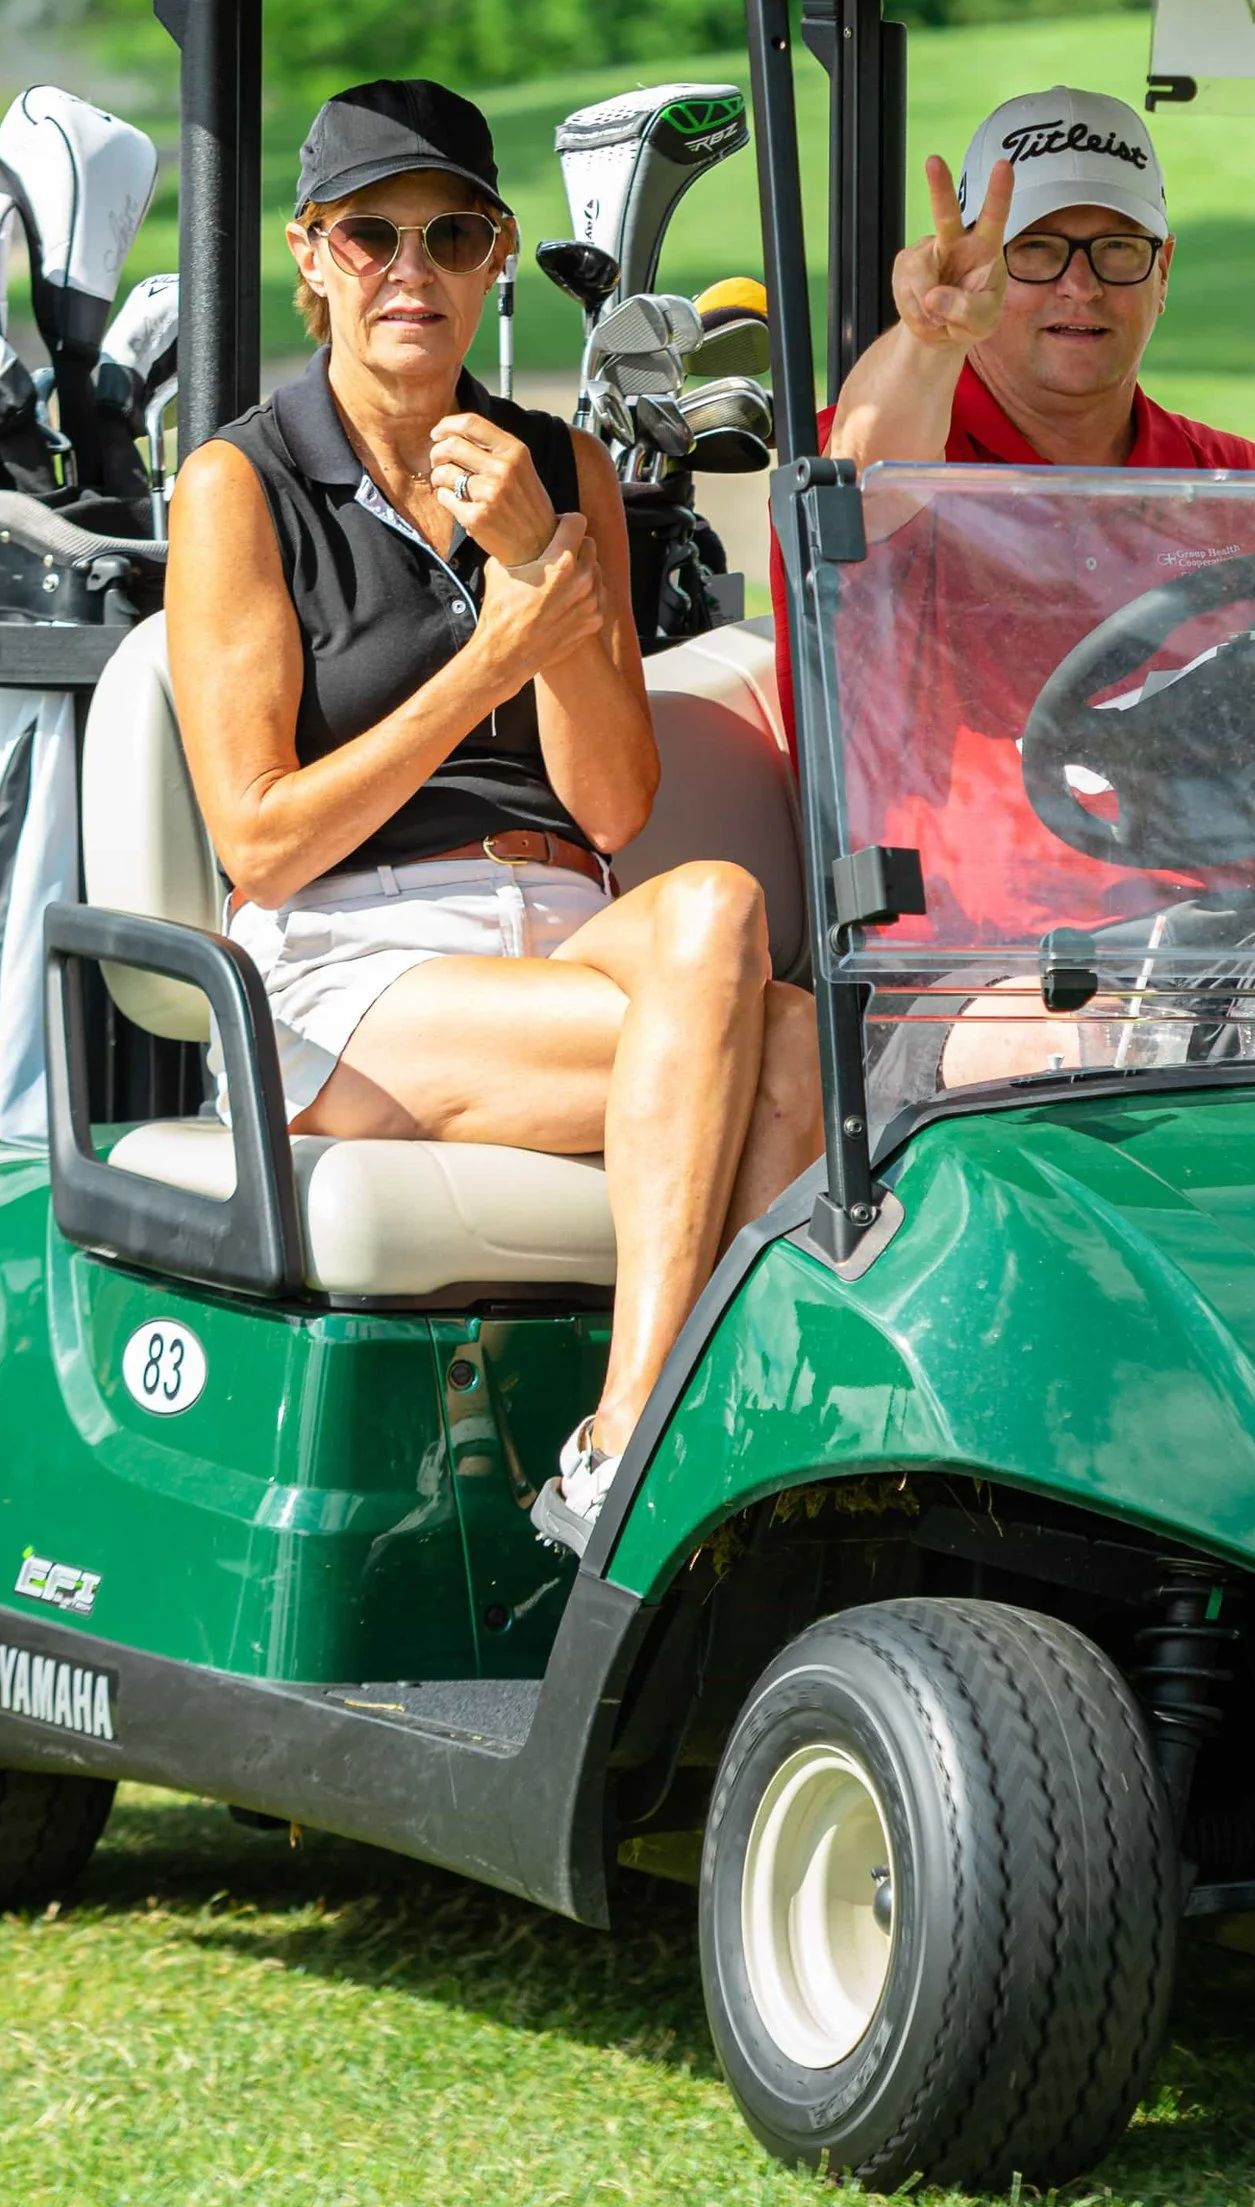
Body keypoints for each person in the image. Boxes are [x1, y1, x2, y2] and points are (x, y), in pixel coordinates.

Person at [168, 78, 819, 1553]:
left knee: (723, 909)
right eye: (371, 235)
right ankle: (660, 1454)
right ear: (309, 254)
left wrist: (549, 555)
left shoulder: (555, 464)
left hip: (555, 937)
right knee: (785, 1061)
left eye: (450, 234)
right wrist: (492, 660)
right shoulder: (241, 486)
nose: (412, 271)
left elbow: (612, 801)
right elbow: (261, 840)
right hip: (344, 967)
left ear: (501, 253)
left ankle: (643, 1442)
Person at [794, 84, 1255, 1092]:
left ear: (1163, 269)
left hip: (1252, 940)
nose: (1079, 287)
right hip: (988, 966)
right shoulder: (908, 465)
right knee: (1104, 1034)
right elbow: (863, 471)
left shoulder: (1240, 486)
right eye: (1036, 250)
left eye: (1115, 251)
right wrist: (931, 338)